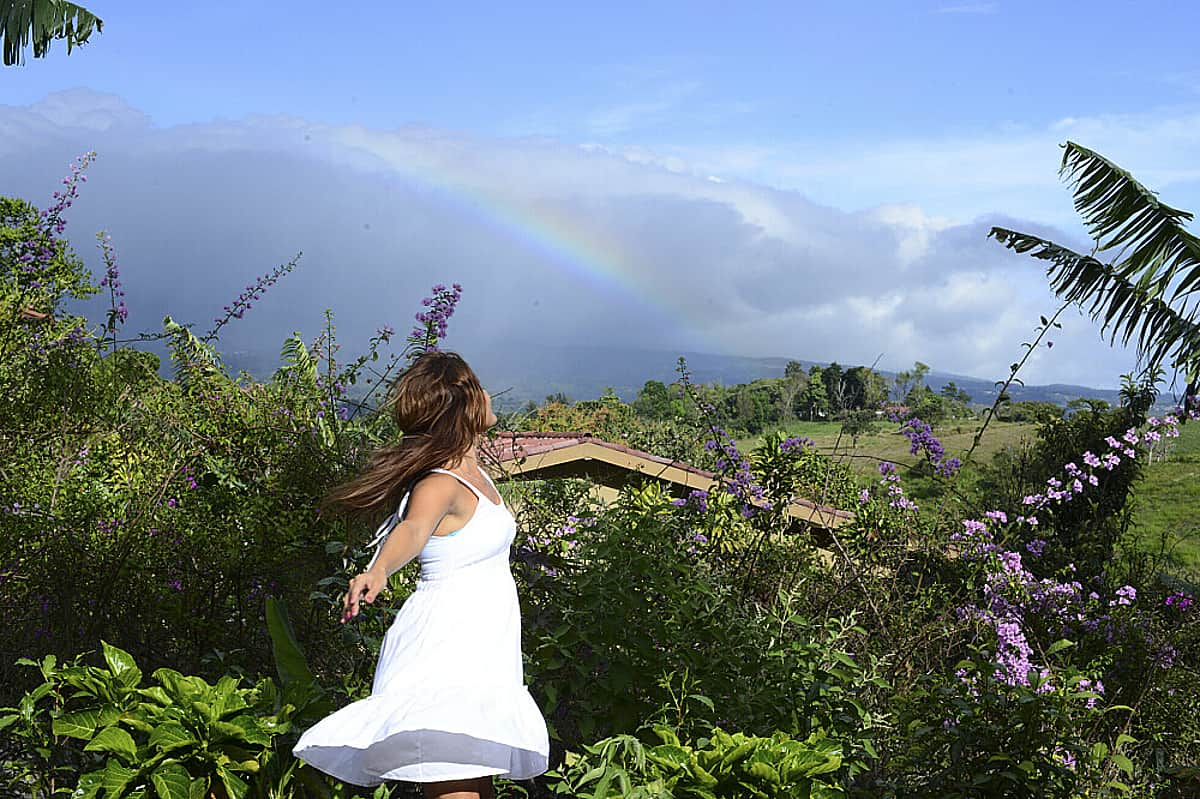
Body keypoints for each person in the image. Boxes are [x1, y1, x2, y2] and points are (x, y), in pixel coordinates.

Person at [293, 351, 549, 799]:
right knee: (455, 784)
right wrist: (378, 569)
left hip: (482, 648)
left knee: (476, 785)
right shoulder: (440, 483)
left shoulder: (474, 474)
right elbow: (412, 529)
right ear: (465, 403)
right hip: (447, 645)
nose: (489, 394)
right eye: (479, 386)